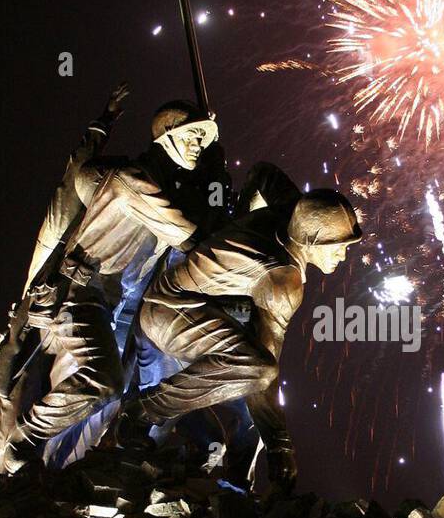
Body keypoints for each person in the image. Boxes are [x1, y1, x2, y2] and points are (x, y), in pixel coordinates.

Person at [0, 97, 219, 473]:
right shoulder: (133, 183)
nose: (199, 143)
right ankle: (25, 443)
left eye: (204, 137)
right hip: (83, 296)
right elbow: (195, 241)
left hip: (123, 305)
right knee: (98, 381)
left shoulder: (162, 190)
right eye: (192, 134)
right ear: (165, 137)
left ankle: (71, 466)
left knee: (115, 397)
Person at [118, 164, 362, 489]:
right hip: (168, 312)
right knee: (258, 370)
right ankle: (140, 411)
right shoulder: (283, 281)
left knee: (252, 397)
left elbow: (263, 173)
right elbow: (263, 370)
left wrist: (237, 222)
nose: (343, 257)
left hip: (202, 306)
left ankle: (233, 485)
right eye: (338, 246)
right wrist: (281, 444)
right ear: (311, 241)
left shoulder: (290, 210)